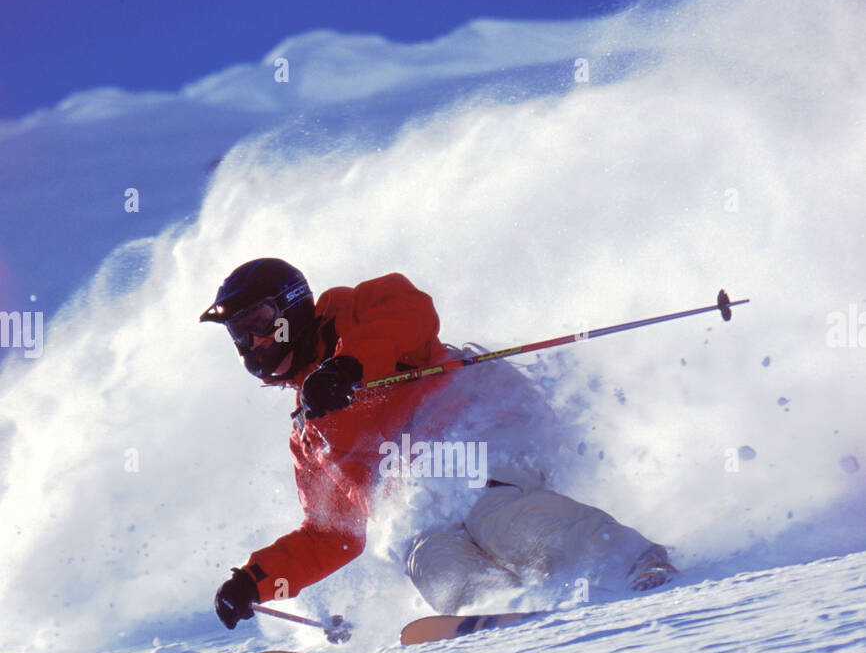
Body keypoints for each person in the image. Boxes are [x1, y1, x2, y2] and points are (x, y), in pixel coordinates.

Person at [200, 258, 675, 629]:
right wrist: (256, 580)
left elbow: (412, 310)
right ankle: (497, 609)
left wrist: (350, 365)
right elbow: (332, 534)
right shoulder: (311, 433)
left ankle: (628, 560)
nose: (255, 341)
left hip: (479, 422)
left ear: (293, 307)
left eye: (261, 322)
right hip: (424, 484)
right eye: (240, 333)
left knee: (493, 514)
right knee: (428, 553)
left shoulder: (352, 314)